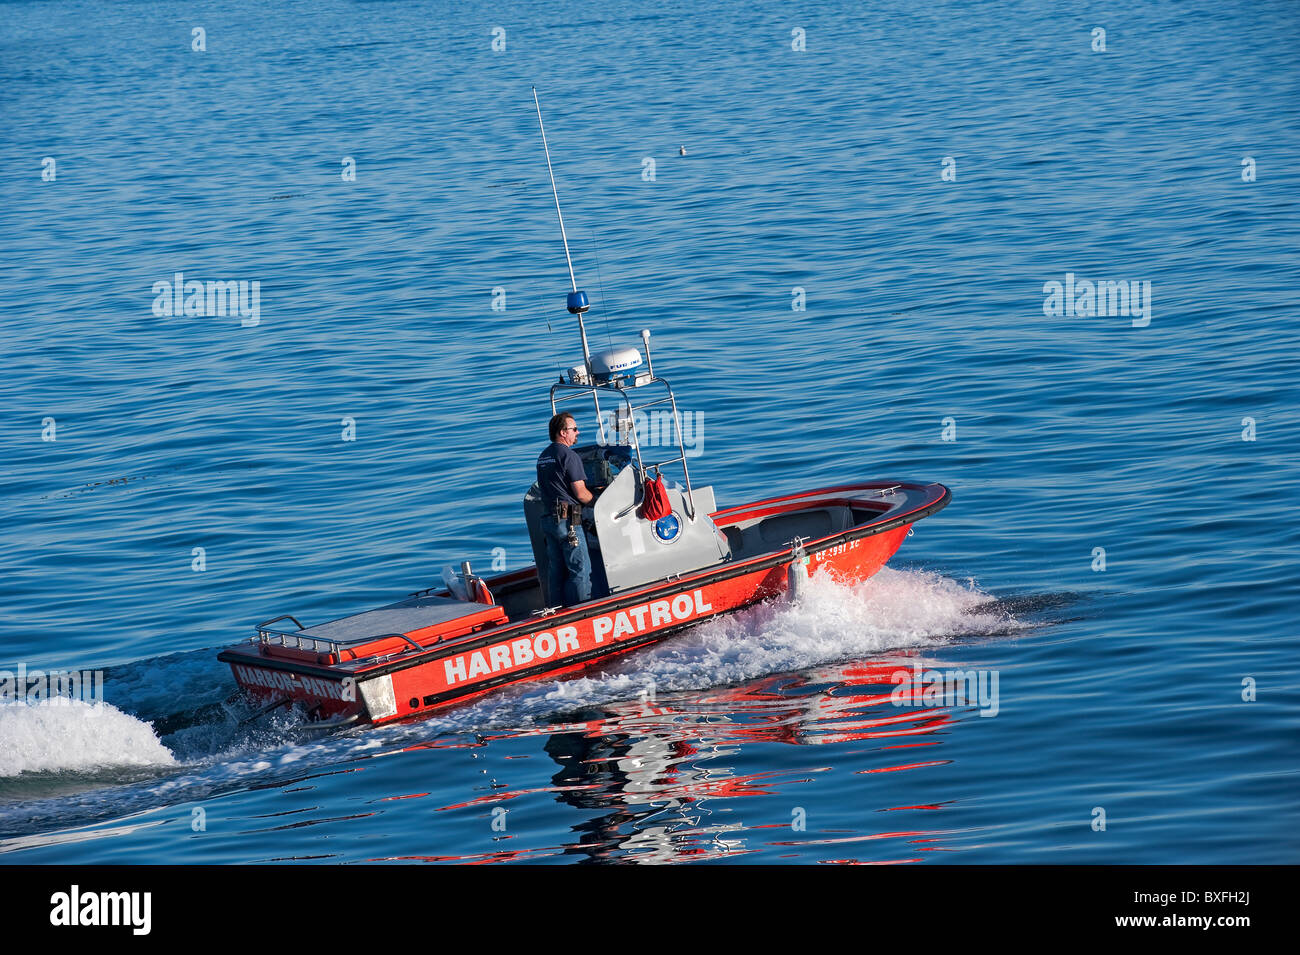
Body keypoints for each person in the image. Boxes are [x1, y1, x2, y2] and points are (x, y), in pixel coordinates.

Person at [537, 412, 595, 606]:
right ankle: (582, 611)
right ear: (563, 432)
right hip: (569, 521)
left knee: (556, 572)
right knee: (581, 570)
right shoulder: (569, 456)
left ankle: (555, 611)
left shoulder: (543, 457)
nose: (578, 432)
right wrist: (598, 501)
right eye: (574, 429)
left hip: (548, 521)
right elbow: (580, 493)